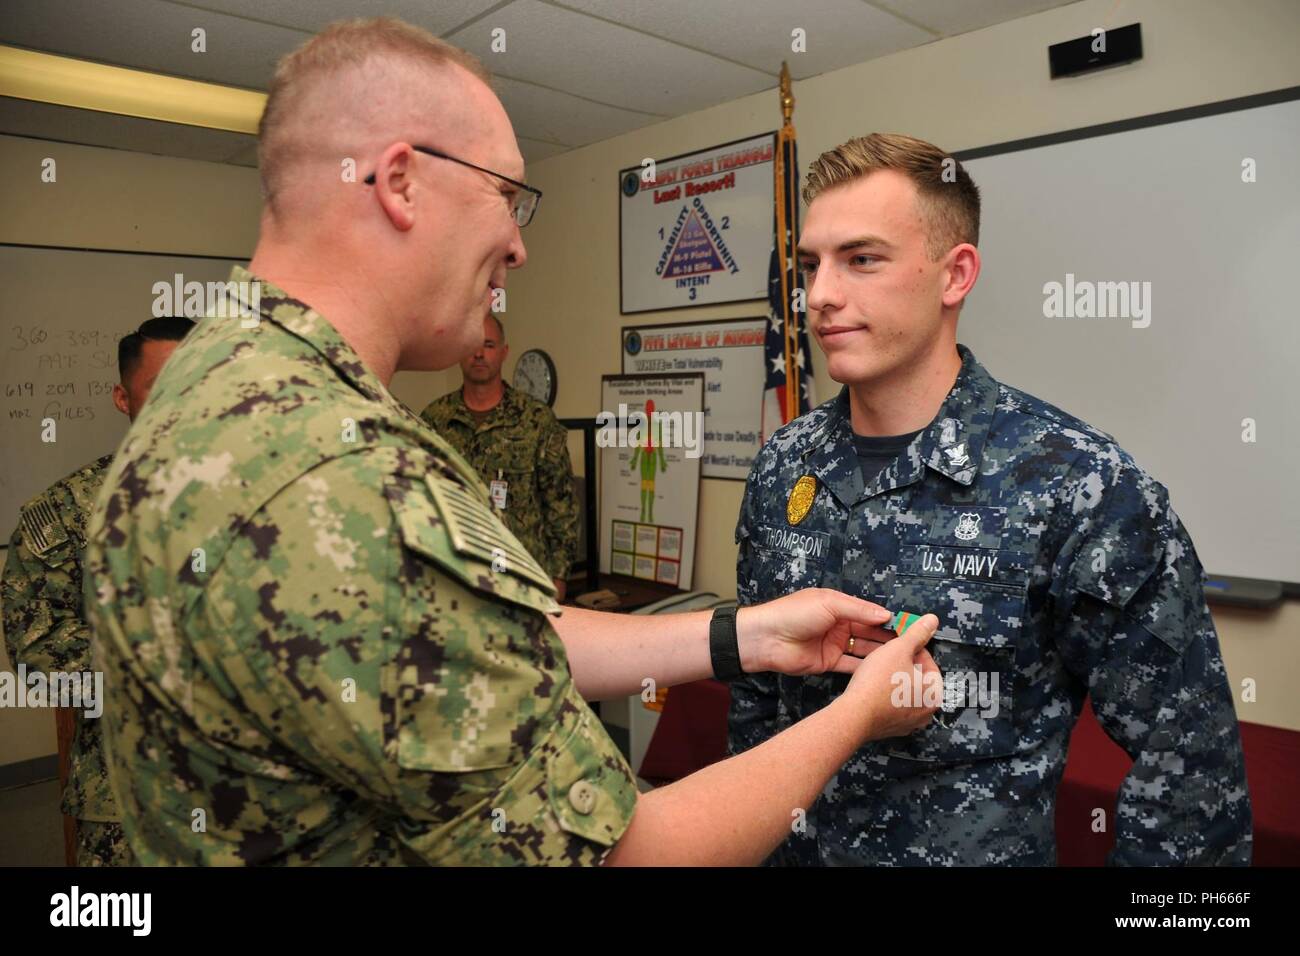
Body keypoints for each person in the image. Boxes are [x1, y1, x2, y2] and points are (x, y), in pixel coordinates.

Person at [84, 18, 942, 867]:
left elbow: (490, 641)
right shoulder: (340, 479)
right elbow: (631, 854)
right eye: (507, 193)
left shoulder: (220, 377)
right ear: (401, 182)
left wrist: (746, 635)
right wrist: (858, 712)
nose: (519, 244)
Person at [728, 132, 1252, 866]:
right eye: (811, 265)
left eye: (862, 259)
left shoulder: (1078, 483)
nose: (819, 295)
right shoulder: (785, 465)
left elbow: (1190, 777)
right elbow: (756, 703)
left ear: (955, 274)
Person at [2, 316, 193, 866]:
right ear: (122, 397)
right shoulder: (66, 514)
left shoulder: (269, 502)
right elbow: (39, 656)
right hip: (128, 797)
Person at [420, 314, 578, 599]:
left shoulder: (536, 420)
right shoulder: (435, 420)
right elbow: (424, 498)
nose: (479, 354)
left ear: (504, 352)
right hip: (457, 573)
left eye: (489, 345)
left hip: (524, 575)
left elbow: (561, 504)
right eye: (472, 346)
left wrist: (559, 576)